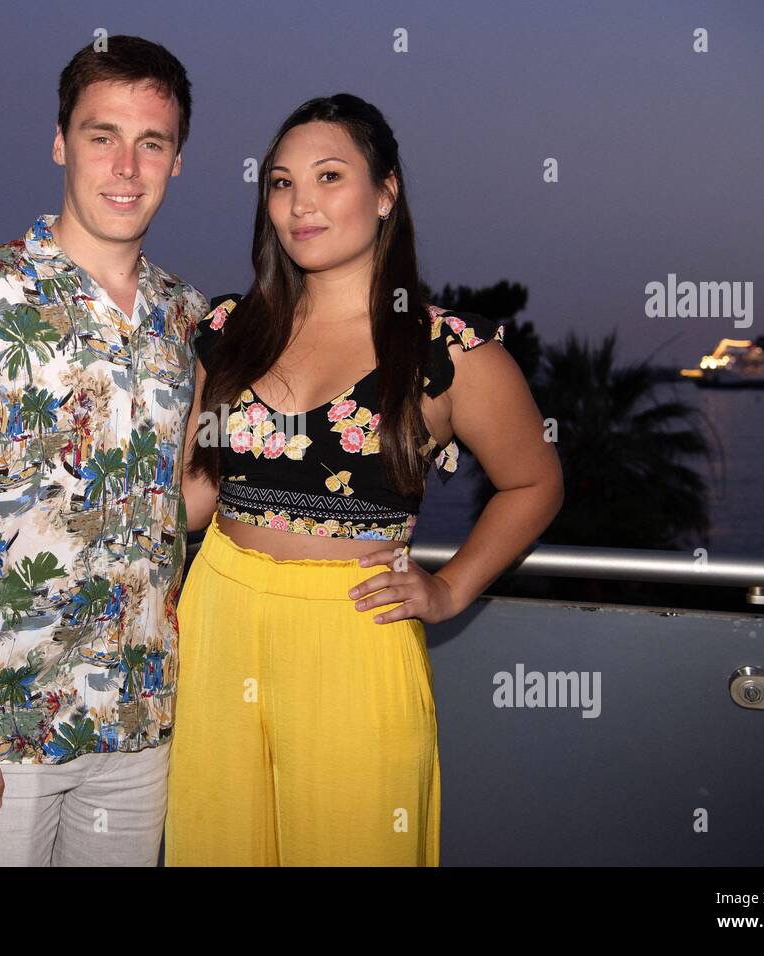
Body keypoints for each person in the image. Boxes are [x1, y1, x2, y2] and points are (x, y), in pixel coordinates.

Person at [166, 93, 564, 866]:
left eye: (328, 176)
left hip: (355, 633)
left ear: (385, 194)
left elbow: (535, 482)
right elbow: (194, 497)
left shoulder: (447, 351)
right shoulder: (229, 330)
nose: (300, 203)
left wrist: (448, 591)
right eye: (281, 183)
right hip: (216, 620)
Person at [0, 36, 208, 866]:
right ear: (61, 142)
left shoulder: (186, 316)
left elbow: (180, 505)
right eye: (102, 136)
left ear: (177, 160)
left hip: (140, 729)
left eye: (151, 143)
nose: (126, 166)